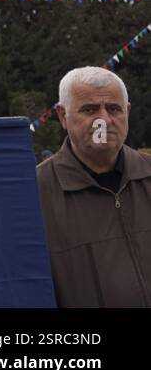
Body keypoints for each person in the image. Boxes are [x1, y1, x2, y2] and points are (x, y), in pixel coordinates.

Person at [36, 66, 151, 306]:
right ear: (62, 116)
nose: (104, 121)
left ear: (127, 112)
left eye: (113, 109)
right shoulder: (33, 194)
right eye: (89, 110)